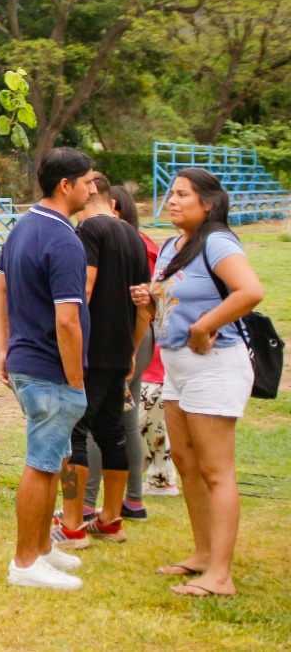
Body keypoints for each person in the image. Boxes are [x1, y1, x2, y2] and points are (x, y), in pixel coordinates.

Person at [135, 168, 263, 598]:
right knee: (187, 463)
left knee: (215, 469)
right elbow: (172, 301)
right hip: (177, 366)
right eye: (171, 193)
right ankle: (204, 555)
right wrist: (150, 298)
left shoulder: (217, 242)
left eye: (183, 195)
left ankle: (220, 576)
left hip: (215, 365)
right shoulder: (174, 246)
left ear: (207, 203)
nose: (172, 200)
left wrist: (205, 325)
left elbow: (250, 291)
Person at [0, 147, 95, 590]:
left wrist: (4, 346)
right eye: (87, 181)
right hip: (51, 368)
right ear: (65, 185)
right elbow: (67, 320)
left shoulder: (24, 226)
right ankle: (25, 562)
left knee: (55, 459)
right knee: (41, 463)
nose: (93, 188)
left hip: (28, 361)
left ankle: (43, 548)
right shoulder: (64, 240)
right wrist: (76, 378)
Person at [54, 173, 151, 549]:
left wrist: (70, 343)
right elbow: (144, 304)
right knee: (112, 432)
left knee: (72, 432)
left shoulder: (89, 231)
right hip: (119, 352)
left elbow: (85, 288)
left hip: (90, 352)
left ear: (89, 191)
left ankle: (72, 523)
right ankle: (111, 519)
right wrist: (131, 350)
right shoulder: (134, 236)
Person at [83, 186, 165, 521]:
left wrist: (130, 347)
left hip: (119, 341)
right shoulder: (139, 240)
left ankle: (86, 504)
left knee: (94, 423)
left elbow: (144, 302)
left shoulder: (99, 236)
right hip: (133, 340)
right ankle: (132, 501)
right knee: (125, 420)